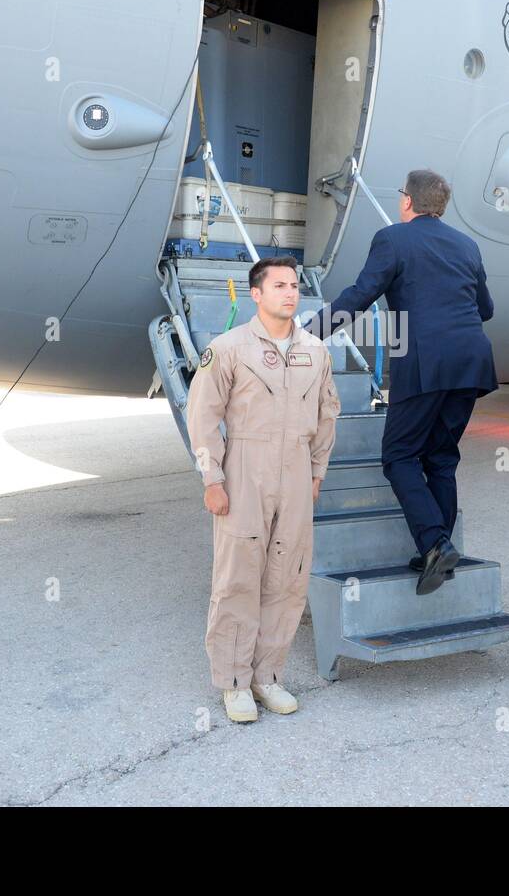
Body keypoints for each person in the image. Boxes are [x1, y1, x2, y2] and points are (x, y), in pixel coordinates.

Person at [307, 169, 497, 595]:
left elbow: (360, 294)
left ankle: (433, 544)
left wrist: (307, 333)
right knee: (441, 458)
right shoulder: (467, 245)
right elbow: (485, 308)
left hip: (426, 361)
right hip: (471, 363)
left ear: (407, 201)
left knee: (398, 456)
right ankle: (441, 550)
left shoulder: (393, 238)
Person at [186, 256, 341, 723]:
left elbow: (327, 414)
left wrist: (316, 473)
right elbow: (203, 417)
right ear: (256, 294)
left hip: (295, 471)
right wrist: (213, 478)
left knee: (287, 578)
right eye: (279, 286)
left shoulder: (316, 350)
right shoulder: (229, 348)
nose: (290, 293)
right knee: (237, 578)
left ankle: (268, 676)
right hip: (244, 468)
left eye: (294, 285)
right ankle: (233, 682)